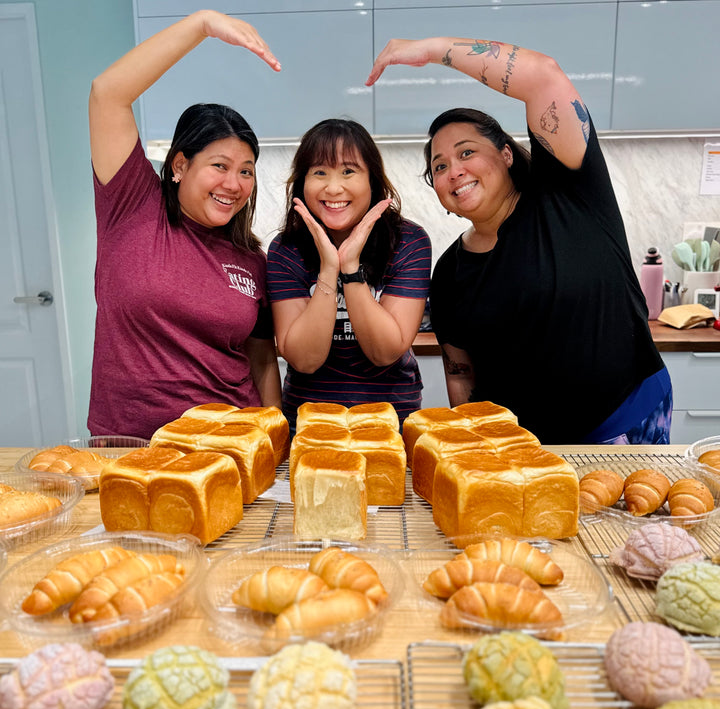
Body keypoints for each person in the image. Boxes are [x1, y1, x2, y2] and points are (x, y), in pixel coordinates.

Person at [366, 37, 672, 444]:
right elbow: (462, 375)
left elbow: (542, 75)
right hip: (521, 454)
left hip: (625, 424)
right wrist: (474, 447)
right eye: (439, 166)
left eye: (467, 152)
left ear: (507, 154)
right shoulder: (449, 272)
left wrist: (431, 50)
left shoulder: (569, 191)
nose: (454, 170)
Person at [87, 11, 283, 439]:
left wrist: (276, 437)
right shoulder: (132, 203)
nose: (234, 184)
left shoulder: (250, 259)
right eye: (220, 166)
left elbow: (262, 358)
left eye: (246, 171)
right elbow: (107, 94)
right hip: (128, 446)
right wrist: (202, 25)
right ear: (180, 165)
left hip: (230, 444)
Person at [266, 118, 432, 433]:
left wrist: (351, 268)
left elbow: (385, 352)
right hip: (310, 421)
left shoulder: (408, 241)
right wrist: (329, 269)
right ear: (303, 183)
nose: (333, 187)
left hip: (391, 419)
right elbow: (304, 359)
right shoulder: (285, 249)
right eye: (319, 172)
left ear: (373, 181)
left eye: (348, 171)